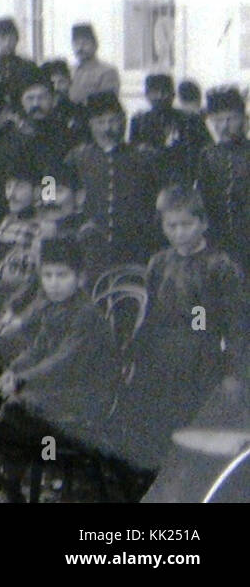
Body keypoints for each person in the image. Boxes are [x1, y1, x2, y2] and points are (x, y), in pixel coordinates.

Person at [0, 239, 118, 499]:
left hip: (83, 394)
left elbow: (64, 361)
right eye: (47, 275)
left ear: (80, 278)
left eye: (62, 275)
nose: (54, 283)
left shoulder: (86, 314)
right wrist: (12, 371)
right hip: (56, 385)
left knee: (16, 409)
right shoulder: (52, 306)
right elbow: (38, 349)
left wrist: (23, 380)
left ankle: (14, 489)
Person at [112, 186, 249, 472]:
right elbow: (148, 316)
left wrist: (235, 374)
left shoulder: (220, 266)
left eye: (186, 225)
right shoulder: (159, 263)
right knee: (155, 428)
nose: (179, 233)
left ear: (204, 224)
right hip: (160, 359)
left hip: (202, 361)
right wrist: (132, 357)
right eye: (170, 226)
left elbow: (237, 325)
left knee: (193, 436)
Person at [65, 92, 161, 272]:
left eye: (113, 121)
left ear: (124, 121)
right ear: (90, 125)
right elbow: (50, 180)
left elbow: (161, 196)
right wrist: (51, 212)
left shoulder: (143, 156)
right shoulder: (77, 156)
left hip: (134, 246)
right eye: (100, 122)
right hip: (88, 245)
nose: (107, 128)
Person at [195, 86, 250, 268]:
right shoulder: (208, 155)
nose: (224, 127)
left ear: (244, 119)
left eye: (231, 119)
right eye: (217, 120)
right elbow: (203, 199)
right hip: (218, 244)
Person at [0, 18, 42, 110]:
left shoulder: (28, 66)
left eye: (11, 38)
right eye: (3, 38)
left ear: (17, 40)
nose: (7, 43)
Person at [67, 23, 120, 105]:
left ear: (95, 45)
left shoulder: (107, 72)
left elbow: (108, 103)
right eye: (76, 44)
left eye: (85, 43)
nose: (80, 48)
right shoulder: (69, 71)